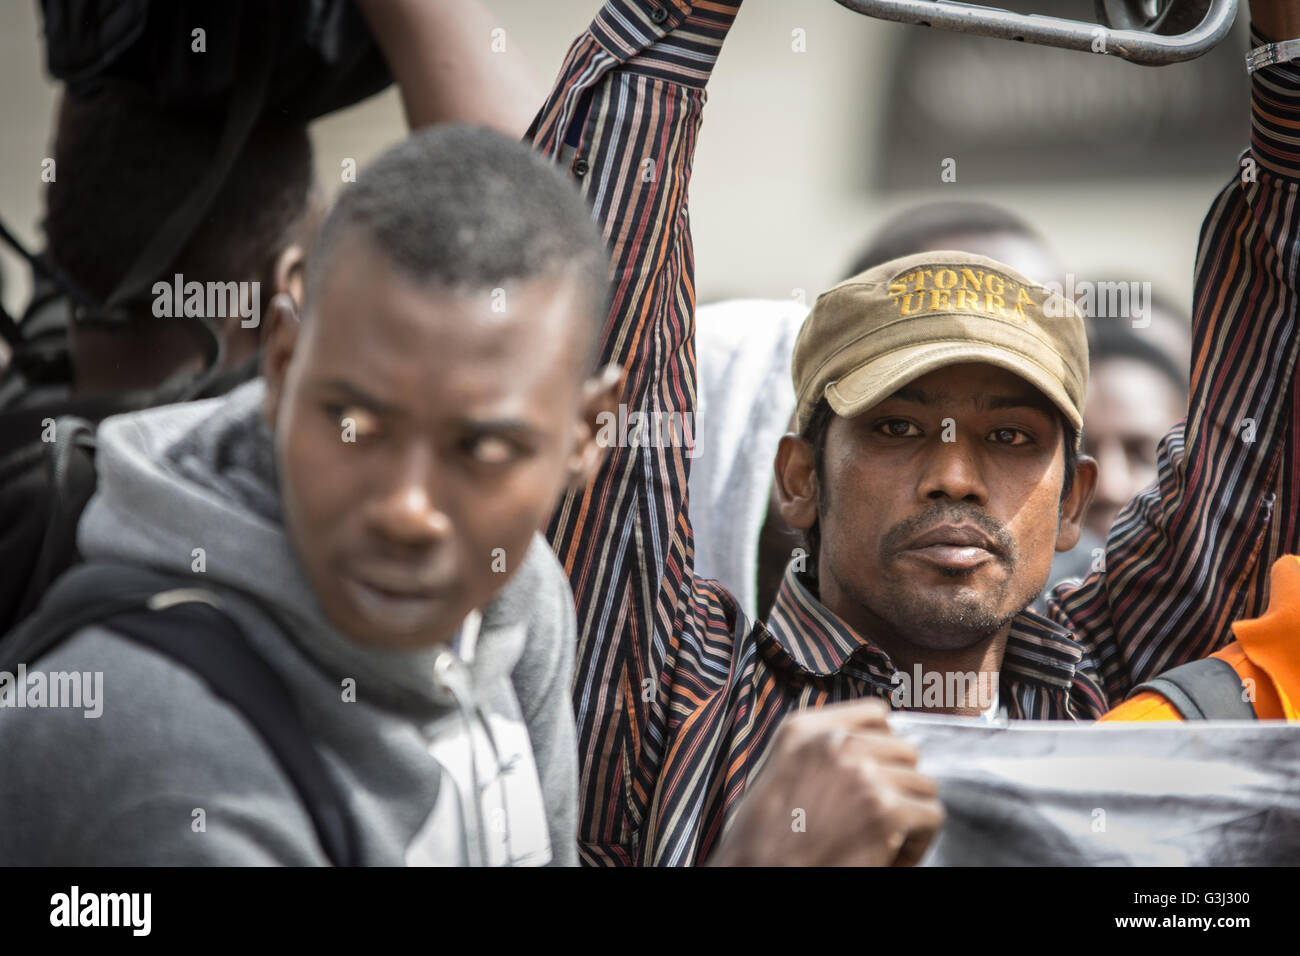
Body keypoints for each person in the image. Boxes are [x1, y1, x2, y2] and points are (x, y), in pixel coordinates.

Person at [533, 0, 1300, 866]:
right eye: (898, 427)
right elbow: (596, 333)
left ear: (1075, 498)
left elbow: (1260, 424)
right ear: (799, 478)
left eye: (1009, 439)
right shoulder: (681, 695)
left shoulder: (1118, 689)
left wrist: (1288, 57)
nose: (955, 478)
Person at [0, 124, 617, 865]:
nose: (406, 510)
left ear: (586, 435)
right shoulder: (154, 738)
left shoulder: (518, 594)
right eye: (354, 422)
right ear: (282, 365)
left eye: (482, 448)